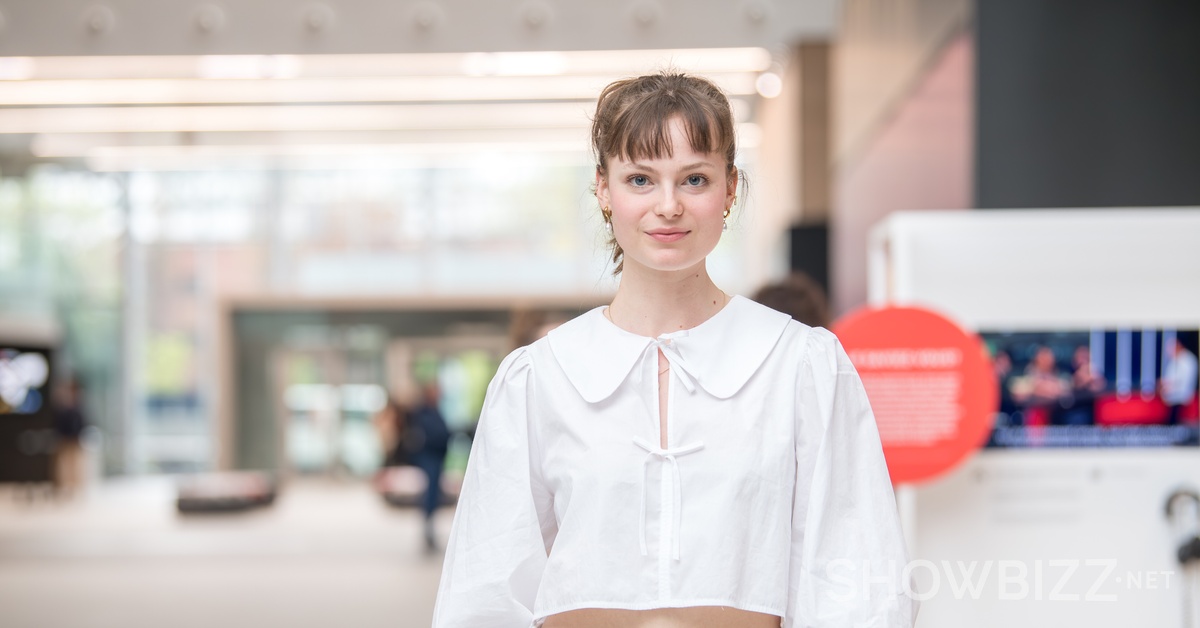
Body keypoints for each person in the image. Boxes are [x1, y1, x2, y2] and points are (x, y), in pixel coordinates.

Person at [432, 71, 915, 628]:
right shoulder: (538, 378)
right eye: (640, 179)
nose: (668, 206)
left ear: (730, 187)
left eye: (694, 179)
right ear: (602, 189)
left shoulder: (800, 363)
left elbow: (854, 575)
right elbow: (485, 588)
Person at [1161, 339, 1198, 425]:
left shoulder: (1187, 360)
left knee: (1175, 417)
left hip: (1181, 395)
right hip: (1174, 394)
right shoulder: (1176, 360)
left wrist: (1169, 386)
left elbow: (1183, 380)